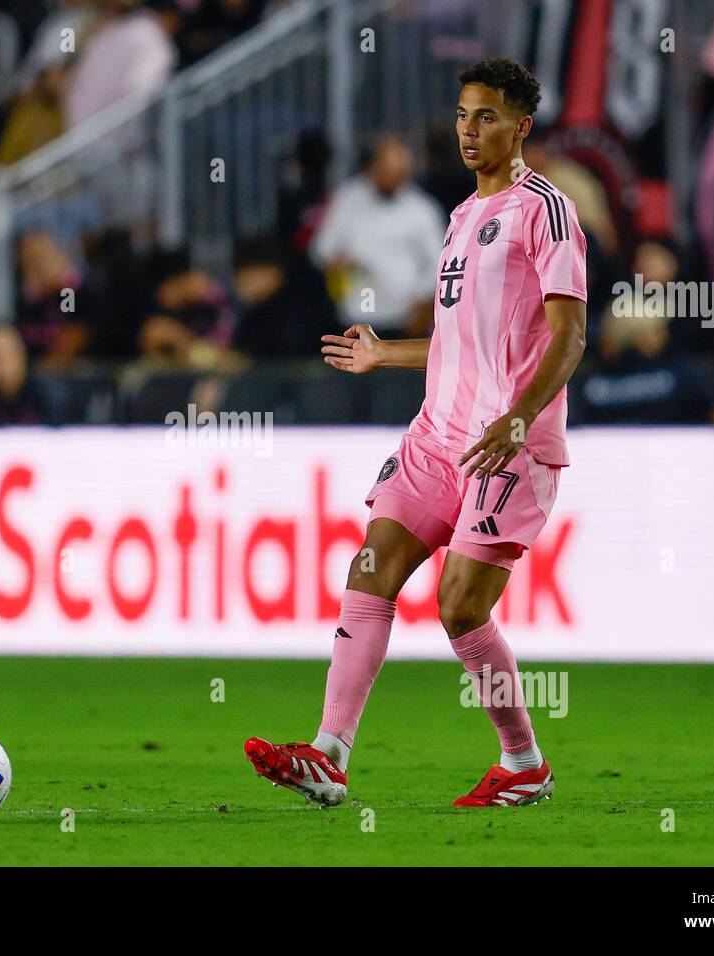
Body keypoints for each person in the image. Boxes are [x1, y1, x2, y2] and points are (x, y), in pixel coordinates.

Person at [244, 58, 588, 808]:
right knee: (372, 567)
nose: (471, 130)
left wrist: (519, 416)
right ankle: (329, 756)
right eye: (464, 115)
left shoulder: (547, 212)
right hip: (438, 434)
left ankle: (524, 760)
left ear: (522, 125)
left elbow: (568, 339)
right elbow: (460, 341)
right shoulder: (460, 218)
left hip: (509, 441)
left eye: (488, 116)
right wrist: (385, 354)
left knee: (461, 606)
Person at [309, 133, 446, 335]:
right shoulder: (347, 200)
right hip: (357, 314)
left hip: (404, 318)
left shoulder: (422, 209)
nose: (395, 176)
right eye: (388, 170)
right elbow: (322, 248)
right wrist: (336, 260)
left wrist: (422, 300)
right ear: (372, 167)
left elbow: (439, 262)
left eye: (400, 171)